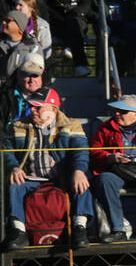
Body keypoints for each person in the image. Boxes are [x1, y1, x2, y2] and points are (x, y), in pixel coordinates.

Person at [3, 87, 92, 250]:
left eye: (38, 106)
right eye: (31, 106)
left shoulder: (72, 125)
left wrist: (79, 171)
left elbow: (81, 152)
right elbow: (7, 151)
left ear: (52, 108)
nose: (32, 110)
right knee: (14, 185)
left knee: (82, 183)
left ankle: (80, 227)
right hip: (29, 178)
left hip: (60, 178)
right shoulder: (17, 126)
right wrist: (14, 167)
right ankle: (18, 230)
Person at [88, 95, 136, 242]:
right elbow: (94, 150)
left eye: (122, 111)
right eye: (116, 110)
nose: (117, 114)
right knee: (105, 180)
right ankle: (118, 229)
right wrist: (110, 157)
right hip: (117, 170)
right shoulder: (105, 127)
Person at [40, 0, 93, 76]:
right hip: (57, 22)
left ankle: (77, 61)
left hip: (76, 21)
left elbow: (86, 4)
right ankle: (79, 64)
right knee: (71, 28)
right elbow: (43, 5)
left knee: (74, 23)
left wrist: (74, 12)